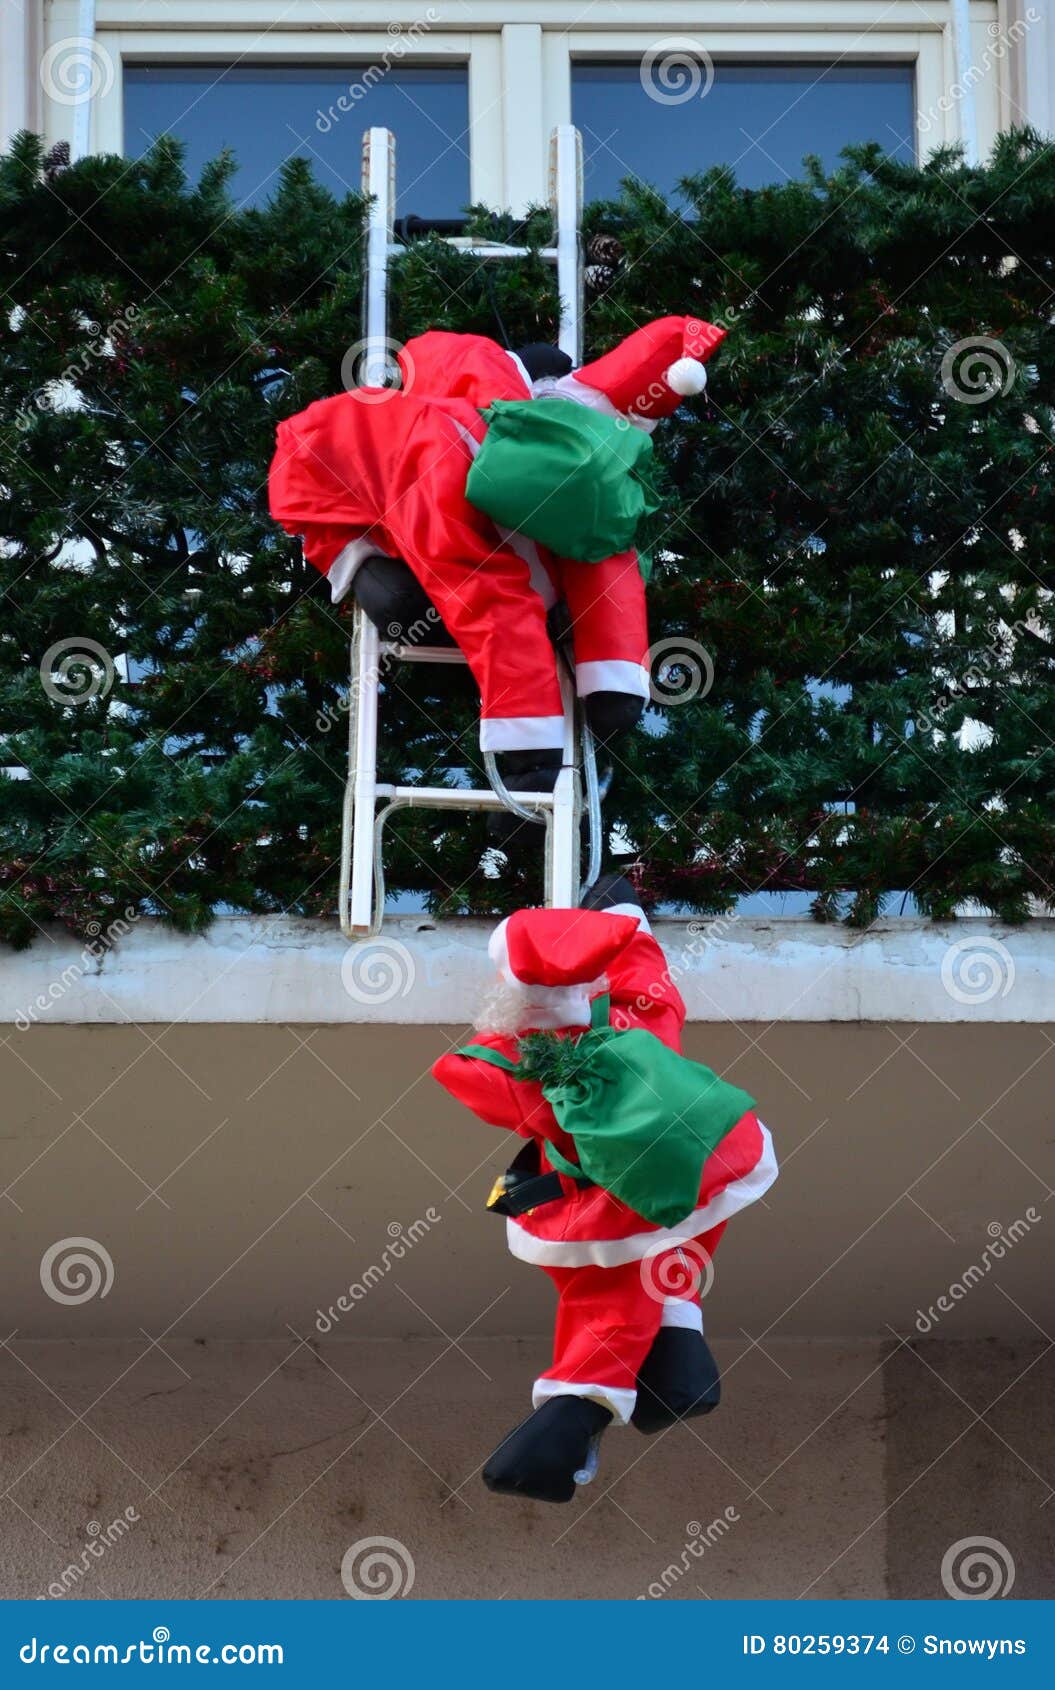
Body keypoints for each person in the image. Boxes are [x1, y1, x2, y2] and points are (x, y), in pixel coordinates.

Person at [268, 318, 725, 799]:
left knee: (448, 585)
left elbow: (605, 569)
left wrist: (614, 687)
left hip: (415, 449)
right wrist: (534, 760)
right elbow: (490, 604)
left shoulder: (552, 457)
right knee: (407, 602)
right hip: (335, 485)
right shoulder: (446, 473)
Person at [432, 875, 778, 1502]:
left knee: (603, 1298)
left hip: (605, 1197)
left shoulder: (509, 1060)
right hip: (705, 1154)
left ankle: (572, 1419)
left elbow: (472, 1082)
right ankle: (677, 1356)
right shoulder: (638, 1016)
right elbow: (646, 971)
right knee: (674, 1251)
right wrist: (619, 912)